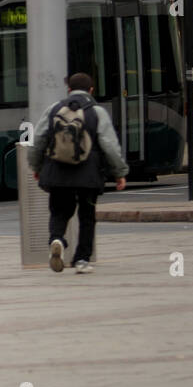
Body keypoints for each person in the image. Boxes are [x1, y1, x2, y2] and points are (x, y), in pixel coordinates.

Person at [27, 73, 127, 274]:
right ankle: (81, 260)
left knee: (59, 211)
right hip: (88, 176)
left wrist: (36, 168)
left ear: (69, 90)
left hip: (57, 171)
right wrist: (119, 172)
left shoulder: (54, 110)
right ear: (91, 90)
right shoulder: (97, 112)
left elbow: (37, 141)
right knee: (87, 216)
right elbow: (110, 146)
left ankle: (57, 239)